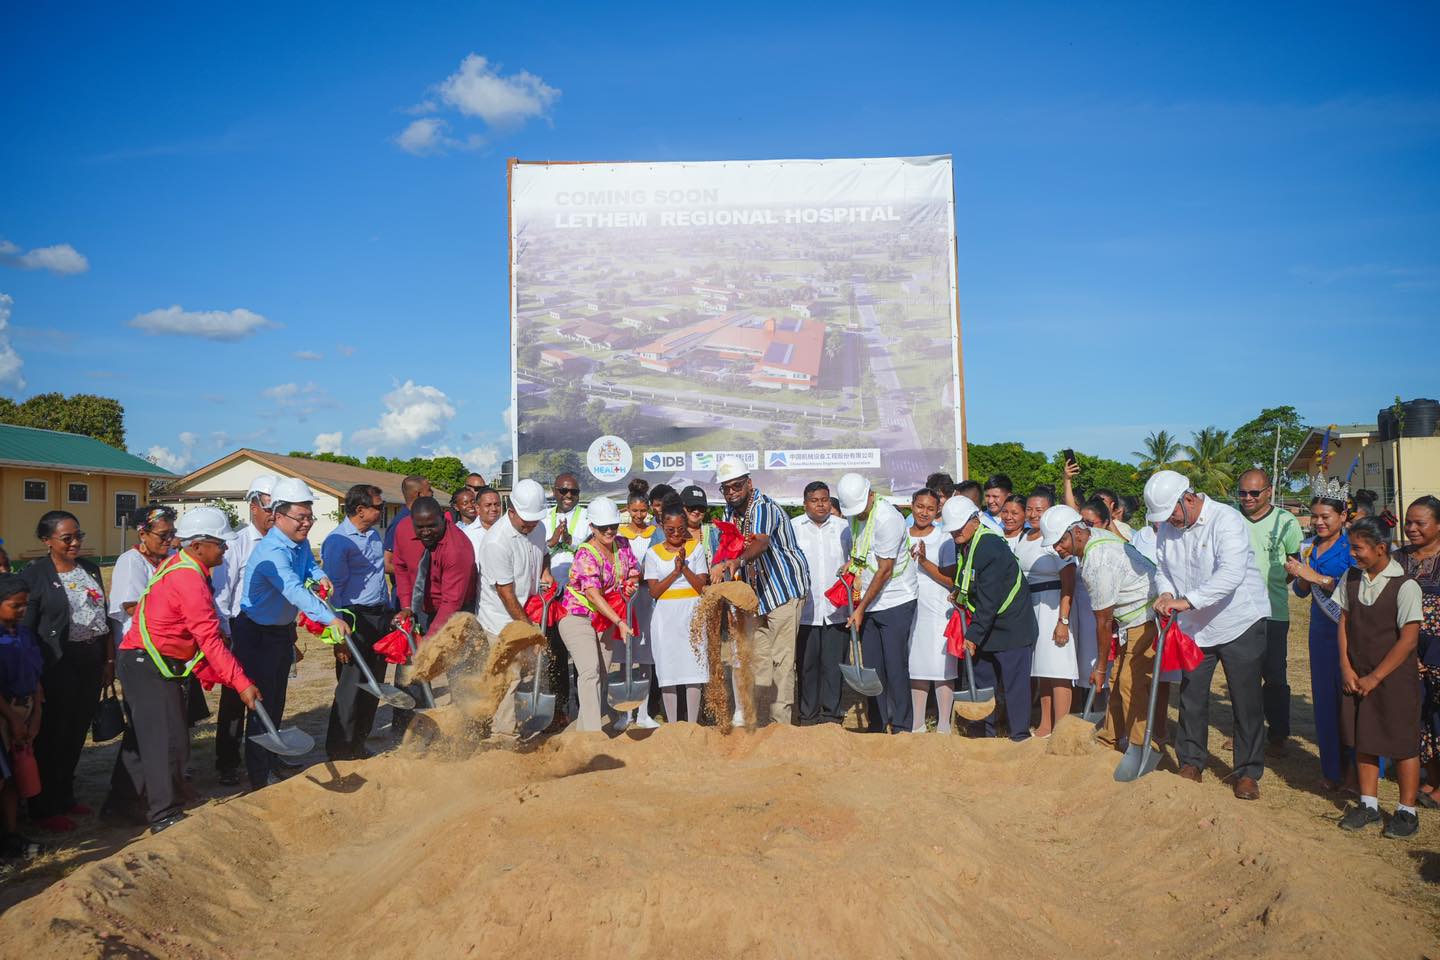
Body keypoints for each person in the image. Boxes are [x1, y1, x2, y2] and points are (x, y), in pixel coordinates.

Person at [105, 509, 260, 833]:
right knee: (166, 740)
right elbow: (209, 638)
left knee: (146, 736)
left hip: (149, 662)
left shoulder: (184, 566)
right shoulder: (188, 577)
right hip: (146, 663)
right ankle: (163, 813)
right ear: (198, 545)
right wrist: (241, 682)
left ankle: (121, 807)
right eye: (221, 543)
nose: (226, 549)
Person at [1145, 470, 1270, 800]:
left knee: (1245, 699)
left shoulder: (1226, 520)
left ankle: (1247, 772)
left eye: (1171, 513)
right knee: (1192, 695)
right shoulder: (1167, 529)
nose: (1168, 521)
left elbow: (1230, 574)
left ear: (1187, 499)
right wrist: (1165, 592)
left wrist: (1186, 601)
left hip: (1238, 621)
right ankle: (1190, 762)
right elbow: (1162, 569)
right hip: (1195, 627)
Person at [237, 479, 350, 790]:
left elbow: (308, 567)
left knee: (276, 701)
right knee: (261, 706)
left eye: (309, 517)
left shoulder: (298, 543)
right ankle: (259, 776)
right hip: (257, 634)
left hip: (280, 632)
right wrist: (330, 618)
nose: (306, 523)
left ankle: (274, 759)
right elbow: (293, 590)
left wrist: (321, 575)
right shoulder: (272, 552)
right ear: (278, 516)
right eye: (300, 517)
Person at [1043, 505, 1167, 757]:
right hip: (1131, 618)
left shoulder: (1097, 562)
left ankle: (1141, 747)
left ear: (1077, 532)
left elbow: (1103, 622)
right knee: (1116, 679)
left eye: (1060, 542)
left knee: (1130, 682)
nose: (1057, 549)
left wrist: (1099, 668)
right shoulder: (1093, 537)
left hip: (1145, 617)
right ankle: (1109, 739)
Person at [19, 510, 111, 831]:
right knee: (53, 735)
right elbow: (27, 630)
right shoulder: (35, 576)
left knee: (76, 730)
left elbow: (102, 617)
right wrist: (34, 677)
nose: (75, 543)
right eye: (67, 538)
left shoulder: (89, 569)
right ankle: (44, 807)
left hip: (91, 659)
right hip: (57, 663)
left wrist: (108, 661)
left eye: (78, 536)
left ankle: (65, 795)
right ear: (47, 541)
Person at [1335, 515, 1423, 838]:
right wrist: (1346, 667)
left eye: (1358, 548)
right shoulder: (1350, 578)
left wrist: (1376, 677)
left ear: (1381, 548)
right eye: (1351, 547)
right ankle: (1368, 804)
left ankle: (1407, 811)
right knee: (1365, 738)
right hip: (1357, 674)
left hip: (1394, 679)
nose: (1352, 554)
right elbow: (1344, 623)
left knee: (1402, 743)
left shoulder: (1405, 585)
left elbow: (1408, 640)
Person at [930, 496, 1036, 740]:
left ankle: (1019, 736)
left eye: (959, 527)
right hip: (985, 623)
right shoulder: (964, 542)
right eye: (952, 529)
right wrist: (960, 593)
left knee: (1015, 685)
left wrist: (973, 635)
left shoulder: (990, 546)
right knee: (982, 681)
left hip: (1011, 625)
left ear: (975, 520)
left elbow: (990, 599)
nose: (955, 533)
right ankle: (983, 735)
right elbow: (969, 576)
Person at [718, 457, 810, 725]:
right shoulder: (728, 513)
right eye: (726, 488)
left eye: (737, 485)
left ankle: (780, 727)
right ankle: (760, 725)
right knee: (759, 660)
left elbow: (761, 542)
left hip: (783, 591)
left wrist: (738, 561)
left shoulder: (763, 507)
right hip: (754, 597)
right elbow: (728, 547)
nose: (732, 492)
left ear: (749, 483)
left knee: (782, 661)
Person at [836, 473, 917, 734]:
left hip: (896, 600)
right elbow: (864, 548)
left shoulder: (888, 519)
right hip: (869, 601)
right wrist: (852, 563)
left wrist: (860, 609)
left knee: (895, 666)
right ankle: (878, 725)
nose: (857, 514)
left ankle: (902, 726)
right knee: (872, 667)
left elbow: (885, 570)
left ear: (871, 495)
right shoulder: (855, 514)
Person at [1284, 488, 1354, 791]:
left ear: (1343, 516)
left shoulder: (1353, 546)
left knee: (1351, 701)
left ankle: (1358, 771)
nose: (1319, 522)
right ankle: (1331, 769)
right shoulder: (1308, 546)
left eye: (1325, 516)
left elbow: (1356, 588)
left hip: (1349, 631)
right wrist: (1300, 574)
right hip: (1320, 632)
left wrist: (1316, 577)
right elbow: (1301, 592)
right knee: (1324, 700)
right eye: (1314, 516)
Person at [210, 474, 277, 786]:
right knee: (235, 700)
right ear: (253, 507)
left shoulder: (281, 543)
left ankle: (267, 755)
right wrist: (226, 635)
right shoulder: (236, 544)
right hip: (240, 629)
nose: (274, 514)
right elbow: (222, 595)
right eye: (269, 507)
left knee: (270, 695)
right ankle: (227, 761)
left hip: (272, 629)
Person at [393, 496, 480, 727]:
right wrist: (407, 606)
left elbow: (451, 603)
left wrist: (429, 643)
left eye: (432, 526)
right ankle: (409, 728)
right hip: (420, 605)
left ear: (444, 518)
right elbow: (400, 567)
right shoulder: (403, 530)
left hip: (456, 611)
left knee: (459, 669)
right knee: (411, 668)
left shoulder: (457, 549)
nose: (426, 532)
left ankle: (466, 728)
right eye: (420, 527)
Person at [320, 485, 391, 761]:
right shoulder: (338, 541)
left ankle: (359, 742)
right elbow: (333, 591)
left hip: (378, 616)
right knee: (351, 686)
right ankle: (340, 748)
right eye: (378, 506)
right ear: (360, 510)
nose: (381, 511)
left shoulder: (373, 535)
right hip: (353, 618)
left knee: (373, 682)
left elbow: (378, 576)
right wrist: (338, 637)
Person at [476, 479, 551, 737]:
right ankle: (503, 735)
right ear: (511, 511)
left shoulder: (538, 527)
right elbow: (506, 594)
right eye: (526, 521)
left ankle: (522, 724)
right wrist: (529, 631)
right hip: (500, 619)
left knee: (529, 672)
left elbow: (544, 552)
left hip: (527, 610)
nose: (531, 525)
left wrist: (545, 571)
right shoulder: (497, 542)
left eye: (534, 520)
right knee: (509, 678)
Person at [556, 496, 638, 732]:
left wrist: (631, 583)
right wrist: (619, 621)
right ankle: (593, 735)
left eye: (613, 525)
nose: (610, 531)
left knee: (601, 673)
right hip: (576, 616)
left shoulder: (623, 544)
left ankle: (582, 731)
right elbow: (592, 595)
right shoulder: (586, 554)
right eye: (603, 527)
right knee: (590, 672)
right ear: (592, 527)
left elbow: (633, 570)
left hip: (605, 616)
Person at [1236, 468, 1303, 755]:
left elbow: (1293, 565)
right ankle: (1246, 735)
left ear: (1269, 492)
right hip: (1238, 613)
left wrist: (1272, 584)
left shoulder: (1286, 521)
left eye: (1254, 492)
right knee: (1243, 677)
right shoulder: (1231, 519)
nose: (1248, 498)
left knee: (1275, 676)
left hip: (1274, 611)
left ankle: (1278, 734)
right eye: (1242, 493)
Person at [791, 481, 852, 726]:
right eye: (814, 501)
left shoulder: (844, 528)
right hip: (806, 611)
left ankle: (832, 718)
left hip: (837, 611)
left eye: (825, 500)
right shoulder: (793, 527)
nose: (820, 505)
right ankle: (807, 717)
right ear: (805, 503)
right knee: (807, 667)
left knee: (834, 668)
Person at [1018, 492, 1077, 739]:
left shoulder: (1057, 540)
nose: (1033, 514)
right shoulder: (1023, 537)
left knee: (1058, 668)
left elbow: (1069, 581)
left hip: (1054, 606)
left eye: (1039, 510)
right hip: (1032, 606)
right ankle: (1045, 723)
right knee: (1042, 667)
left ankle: (1062, 728)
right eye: (1029, 509)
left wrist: (1063, 621)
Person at [645, 502, 709, 724]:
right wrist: (674, 572)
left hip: (692, 614)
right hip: (665, 618)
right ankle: (672, 724)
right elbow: (654, 592)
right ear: (662, 526)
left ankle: (692, 723)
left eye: (680, 529)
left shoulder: (696, 548)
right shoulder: (653, 553)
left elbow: (701, 587)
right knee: (668, 671)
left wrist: (685, 568)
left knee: (694, 669)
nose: (675, 534)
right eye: (670, 529)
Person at [1395, 496, 1440, 809]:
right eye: (1408, 522)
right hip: (1406, 646)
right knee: (1418, 713)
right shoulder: (1397, 559)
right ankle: (1431, 776)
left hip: (1438, 648)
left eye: (1419, 523)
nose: (1411, 528)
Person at [0, 574, 45, 860]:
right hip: (5, 713)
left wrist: (36, 713)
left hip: (26, 708)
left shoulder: (26, 634)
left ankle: (12, 835)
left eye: (25, 605)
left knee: (17, 774)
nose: (22, 611)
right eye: (15, 605)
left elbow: (36, 679)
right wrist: (13, 720)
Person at [907, 488, 957, 733]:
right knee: (916, 663)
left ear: (938, 510)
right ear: (911, 506)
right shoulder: (901, 535)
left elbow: (951, 580)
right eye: (920, 507)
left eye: (930, 508)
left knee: (941, 665)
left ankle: (944, 724)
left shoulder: (944, 538)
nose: (924, 512)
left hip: (938, 607)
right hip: (910, 606)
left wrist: (924, 562)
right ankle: (917, 723)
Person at [543, 473, 586, 723]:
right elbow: (536, 549)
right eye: (563, 491)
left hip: (578, 595)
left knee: (581, 653)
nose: (568, 496)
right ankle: (560, 709)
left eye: (574, 492)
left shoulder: (586, 518)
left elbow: (592, 548)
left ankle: (583, 707)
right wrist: (552, 541)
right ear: (554, 491)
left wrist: (570, 541)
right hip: (551, 595)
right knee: (555, 654)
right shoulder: (542, 518)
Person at [108, 506, 177, 641]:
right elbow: (132, 607)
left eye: (172, 533)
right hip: (140, 642)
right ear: (143, 535)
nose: (169, 539)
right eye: (163, 535)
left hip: (167, 638)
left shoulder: (172, 557)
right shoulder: (131, 561)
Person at [383, 475, 433, 576]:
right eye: (429, 490)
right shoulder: (400, 522)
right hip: (408, 584)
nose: (432, 493)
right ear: (419, 495)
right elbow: (387, 565)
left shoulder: (422, 517)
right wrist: (417, 575)